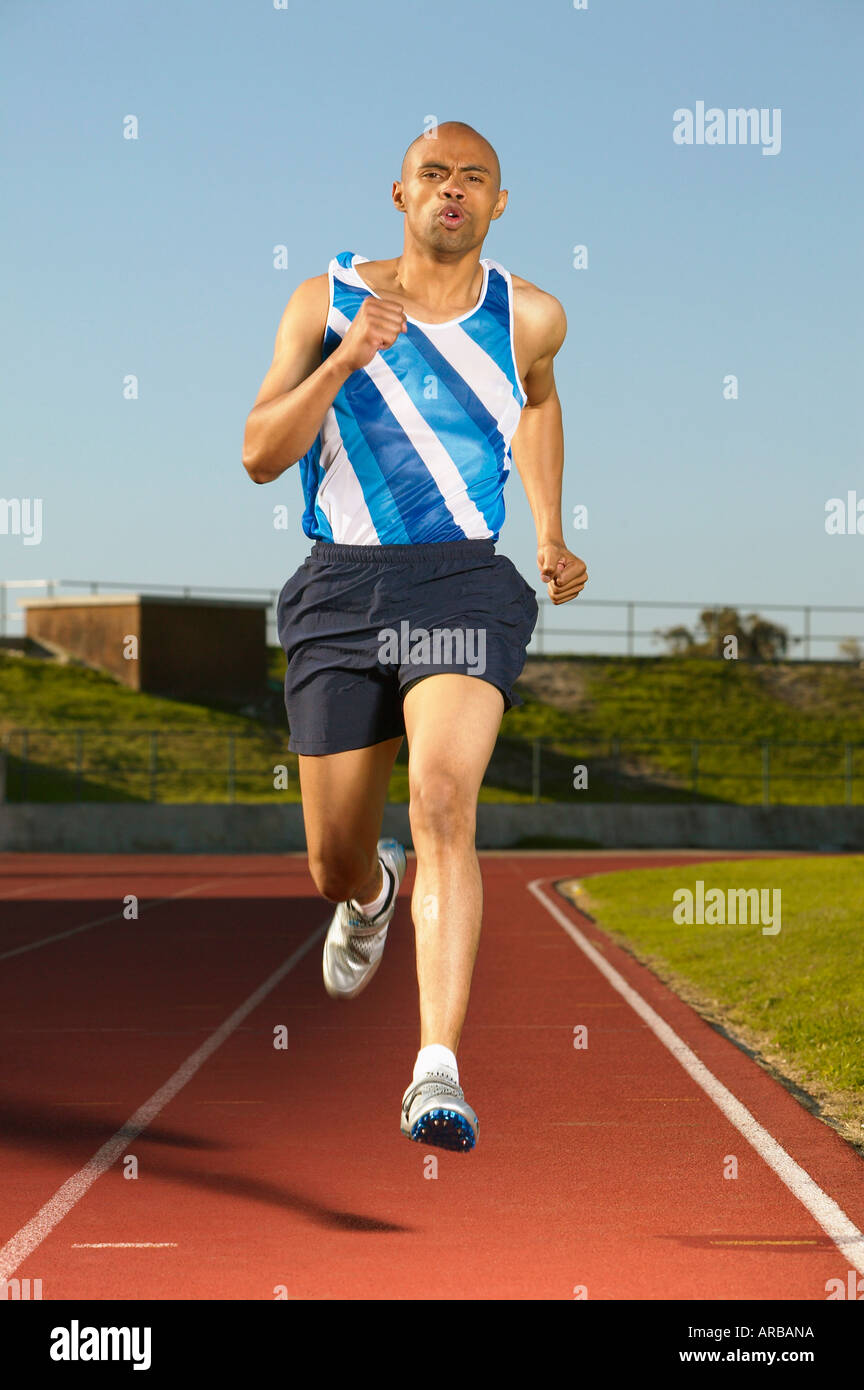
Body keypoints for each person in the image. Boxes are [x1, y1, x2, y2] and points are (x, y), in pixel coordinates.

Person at [242, 121, 587, 1152]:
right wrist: (346, 355)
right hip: (340, 589)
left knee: (443, 797)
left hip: (462, 585)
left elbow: (537, 404)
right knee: (330, 859)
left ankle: (436, 1067)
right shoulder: (324, 299)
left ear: (498, 204)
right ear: (398, 194)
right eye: (433, 176)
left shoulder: (531, 316)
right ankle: (374, 888)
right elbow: (261, 453)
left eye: (473, 179)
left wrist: (553, 529)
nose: (452, 191)